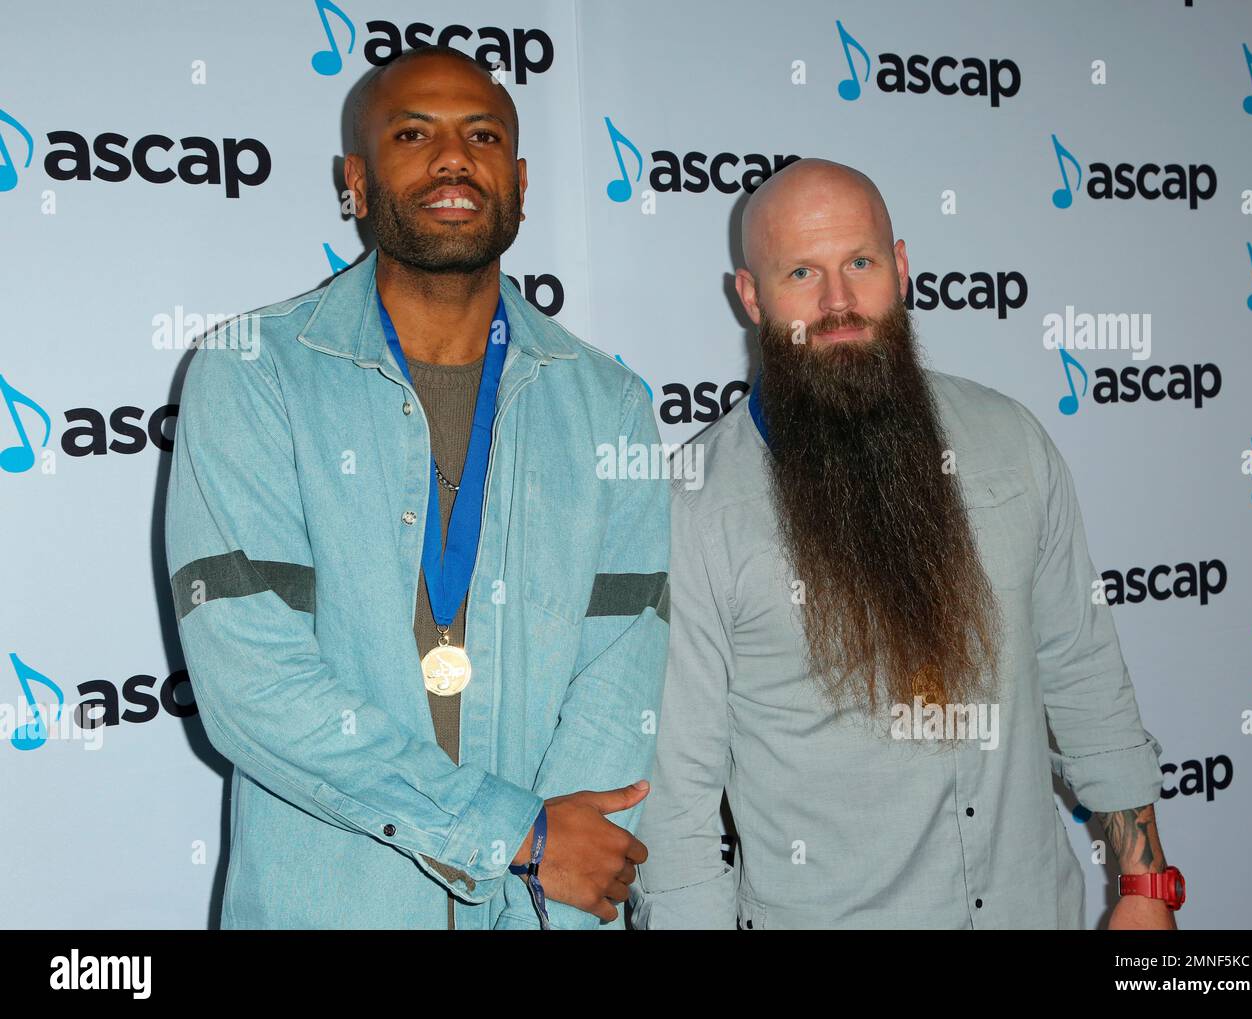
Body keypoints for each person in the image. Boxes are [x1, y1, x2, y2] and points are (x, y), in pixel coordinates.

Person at [164, 45, 669, 930]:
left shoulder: (610, 405)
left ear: (518, 180)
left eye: (481, 135)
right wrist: (516, 834)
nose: (452, 158)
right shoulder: (254, 373)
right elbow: (254, 688)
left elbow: (618, 684)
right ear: (354, 181)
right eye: (413, 134)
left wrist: (537, 891)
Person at [629, 158, 1182, 929]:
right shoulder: (692, 507)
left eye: (861, 262)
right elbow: (676, 810)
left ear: (903, 267)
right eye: (800, 273)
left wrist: (1144, 881)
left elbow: (1085, 679)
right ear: (752, 297)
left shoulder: (1011, 444)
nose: (839, 302)